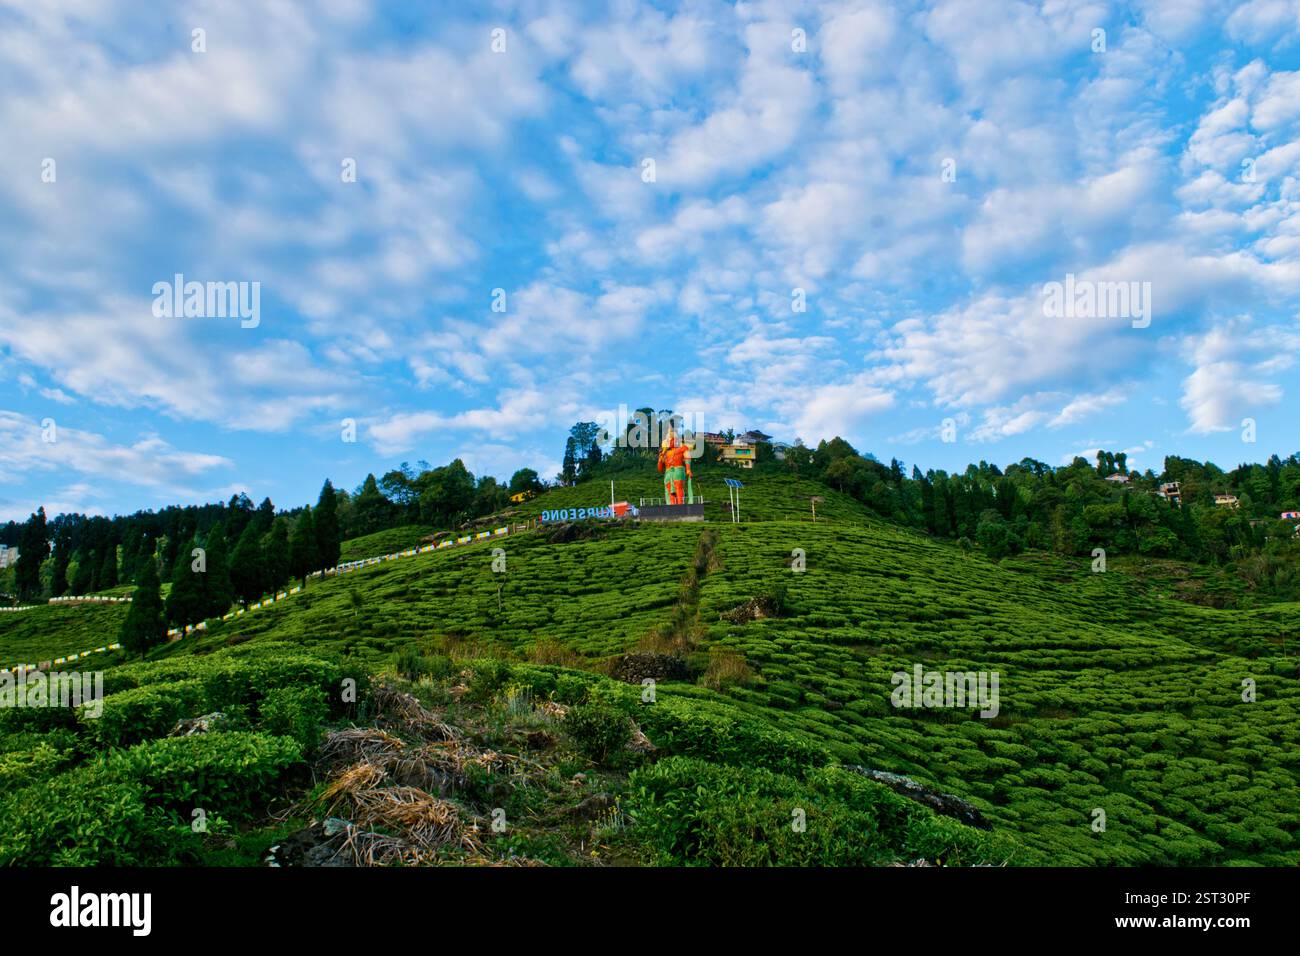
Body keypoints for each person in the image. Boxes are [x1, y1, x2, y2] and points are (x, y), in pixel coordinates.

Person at [657, 428, 694, 504]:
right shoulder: (665, 454)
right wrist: (660, 458)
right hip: (668, 473)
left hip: (678, 470)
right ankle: (672, 507)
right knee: (670, 491)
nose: (670, 441)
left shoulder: (682, 448)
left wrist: (688, 469)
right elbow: (660, 469)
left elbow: (687, 458)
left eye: (672, 439)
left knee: (678, 488)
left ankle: (680, 505)